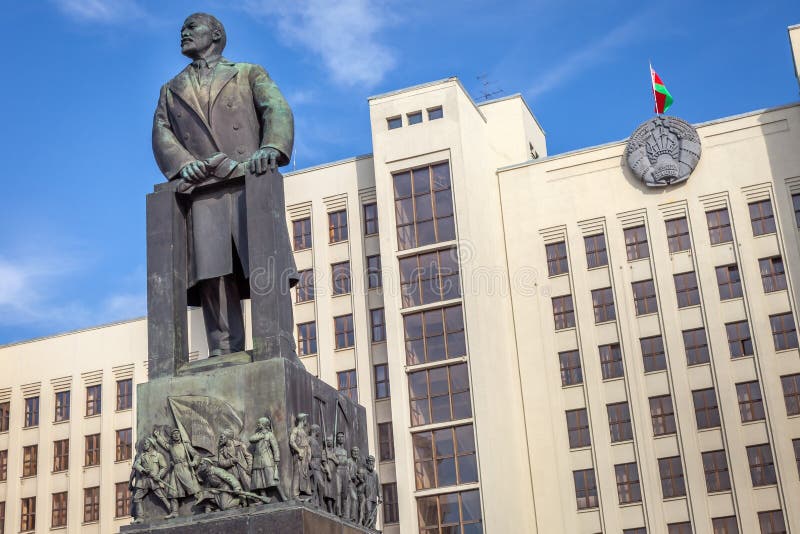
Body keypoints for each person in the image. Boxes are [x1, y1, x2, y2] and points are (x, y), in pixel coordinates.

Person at [151, 12, 297, 357]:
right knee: (212, 272)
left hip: (249, 180)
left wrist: (271, 148)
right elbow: (162, 133)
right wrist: (185, 165)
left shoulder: (248, 73)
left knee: (266, 268)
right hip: (204, 189)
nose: (183, 33)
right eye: (182, 28)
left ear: (215, 34)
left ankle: (278, 346)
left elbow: (276, 109)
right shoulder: (171, 90)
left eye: (191, 27)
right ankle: (222, 350)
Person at [153, 428, 202, 518]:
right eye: (174, 434)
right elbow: (164, 444)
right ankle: (174, 512)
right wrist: (158, 436)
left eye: (177, 433)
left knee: (193, 488)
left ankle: (205, 506)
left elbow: (196, 455)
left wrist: (194, 462)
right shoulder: (171, 446)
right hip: (175, 470)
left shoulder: (185, 445)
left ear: (180, 435)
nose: (176, 435)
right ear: (172, 436)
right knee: (173, 491)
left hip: (185, 468)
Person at [130, 437, 171, 523]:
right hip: (144, 480)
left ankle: (172, 510)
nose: (144, 445)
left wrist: (159, 475)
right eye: (144, 444)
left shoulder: (158, 455)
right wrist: (143, 470)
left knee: (162, 496)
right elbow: (136, 465)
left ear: (151, 444)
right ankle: (140, 518)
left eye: (146, 444)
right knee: (137, 498)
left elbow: (164, 467)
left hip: (154, 480)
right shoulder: (142, 456)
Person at [249, 417, 287, 502]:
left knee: (274, 479)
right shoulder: (258, 435)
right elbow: (251, 439)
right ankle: (264, 498)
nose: (258, 424)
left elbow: (275, 447)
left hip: (267, 460)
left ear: (264, 425)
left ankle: (283, 497)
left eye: (259, 423)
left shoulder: (270, 435)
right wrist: (262, 436)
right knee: (259, 481)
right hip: (258, 461)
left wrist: (277, 458)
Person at [290, 413, 312, 500]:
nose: (306, 421)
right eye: (306, 419)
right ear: (303, 420)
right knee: (297, 473)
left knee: (304, 473)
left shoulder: (303, 431)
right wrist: (299, 451)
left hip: (305, 454)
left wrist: (309, 454)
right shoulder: (296, 430)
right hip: (300, 454)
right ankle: (295, 495)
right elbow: (292, 441)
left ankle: (306, 492)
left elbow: (306, 443)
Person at [331, 431, 350, 517]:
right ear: (337, 439)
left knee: (345, 493)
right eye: (338, 437)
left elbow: (347, 464)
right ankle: (338, 511)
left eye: (342, 437)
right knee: (338, 491)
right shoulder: (334, 450)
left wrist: (348, 475)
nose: (340, 438)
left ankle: (344, 512)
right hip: (338, 470)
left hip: (345, 471)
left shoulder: (345, 451)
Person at [361, 455, 381, 528]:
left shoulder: (375, 474)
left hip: (373, 496)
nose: (371, 463)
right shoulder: (364, 472)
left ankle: (373, 526)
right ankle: (367, 525)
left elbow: (378, 486)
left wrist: (380, 496)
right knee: (368, 511)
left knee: (374, 513)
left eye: (372, 461)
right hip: (367, 495)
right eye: (370, 461)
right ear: (367, 462)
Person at [307, 424, 325, 508]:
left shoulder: (316, 440)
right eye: (319, 431)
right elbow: (307, 452)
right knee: (319, 485)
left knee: (318, 485)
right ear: (316, 430)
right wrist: (309, 462)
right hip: (313, 463)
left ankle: (318, 502)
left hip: (318, 465)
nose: (319, 432)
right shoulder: (309, 439)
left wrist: (322, 467)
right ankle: (319, 502)